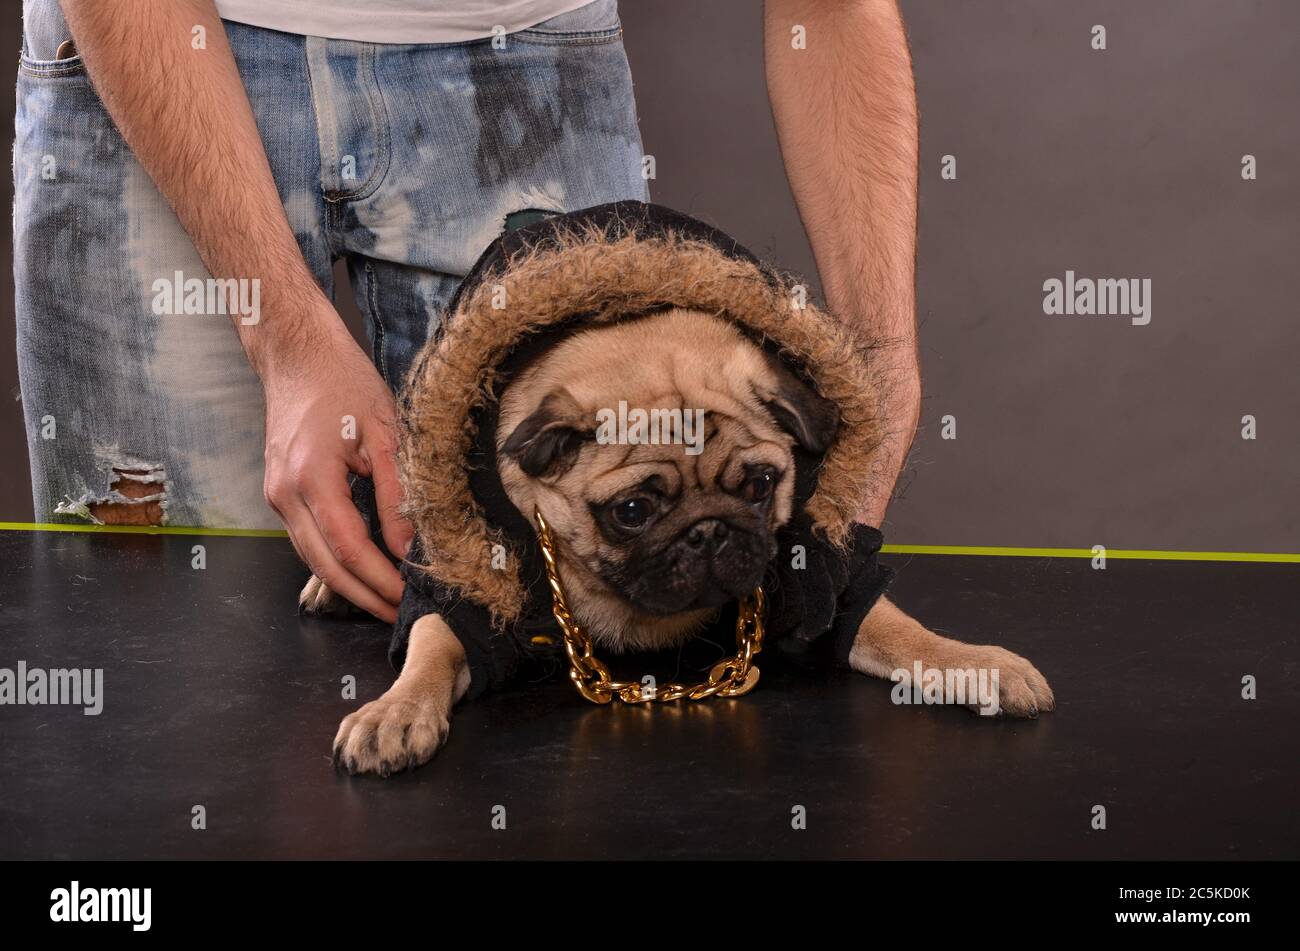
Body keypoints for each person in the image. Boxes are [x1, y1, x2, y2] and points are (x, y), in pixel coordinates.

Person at [14, 0, 919, 623]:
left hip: (530, 65)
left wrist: (881, 361)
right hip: (162, 52)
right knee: (157, 663)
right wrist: (286, 337)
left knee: (567, 674)